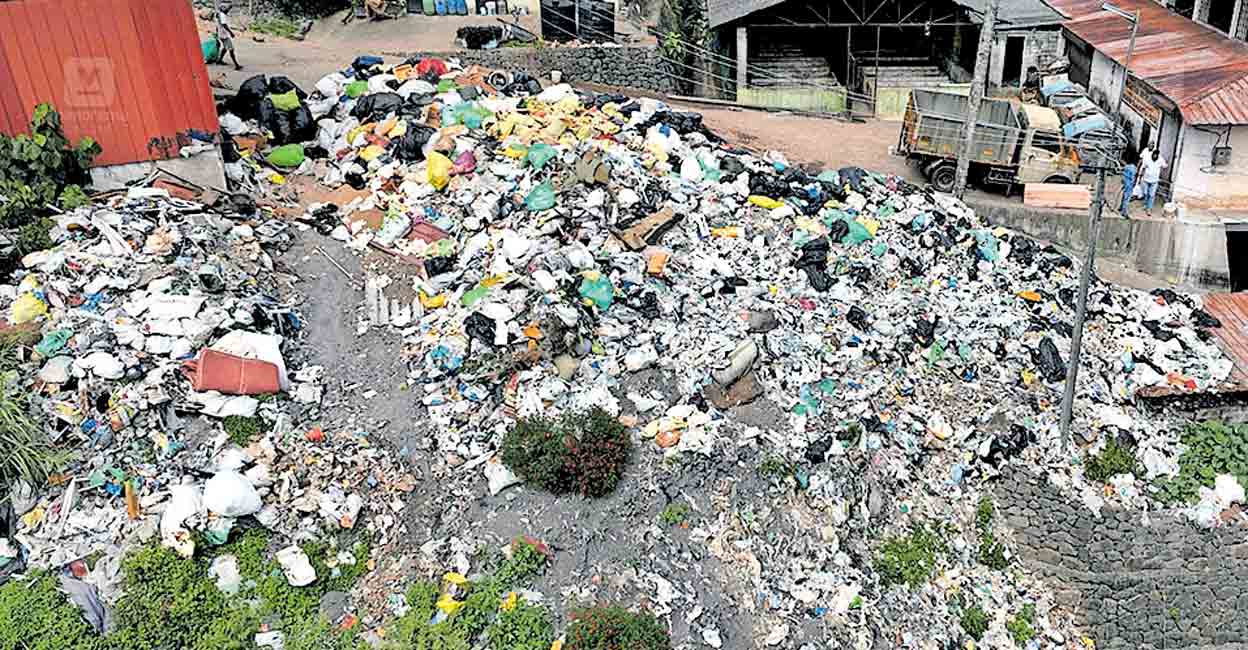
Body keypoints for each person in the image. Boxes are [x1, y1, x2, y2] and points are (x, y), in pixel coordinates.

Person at [216, 3, 242, 71]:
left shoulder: (220, 14)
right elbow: (224, 25)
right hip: (224, 35)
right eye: (227, 8)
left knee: (225, 48)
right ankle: (236, 65)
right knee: (231, 49)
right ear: (223, 8)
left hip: (221, 34)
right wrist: (231, 33)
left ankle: (219, 60)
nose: (228, 10)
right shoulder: (223, 15)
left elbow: (220, 25)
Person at [1140, 148, 1167, 214]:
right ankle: (1145, 205)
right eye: (1153, 155)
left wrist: (1163, 164)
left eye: (1156, 155)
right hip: (1146, 179)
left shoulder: (1160, 160)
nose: (1154, 156)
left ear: (1158, 155)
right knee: (1145, 193)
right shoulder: (1147, 159)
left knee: (1151, 195)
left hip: (1154, 181)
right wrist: (1140, 175)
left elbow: (1165, 166)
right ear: (1152, 154)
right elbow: (1143, 167)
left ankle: (1149, 208)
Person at [1119, 150, 1137, 216]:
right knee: (1127, 197)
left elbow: (1123, 176)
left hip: (1126, 183)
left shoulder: (1126, 167)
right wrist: (1134, 184)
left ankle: (1121, 207)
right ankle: (1123, 211)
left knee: (1124, 196)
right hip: (1129, 184)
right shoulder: (1133, 168)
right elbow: (1133, 178)